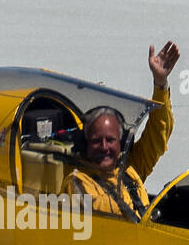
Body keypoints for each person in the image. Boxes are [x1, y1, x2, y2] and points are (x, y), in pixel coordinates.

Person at [62, 41, 179, 218]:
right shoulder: (78, 182)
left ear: (121, 143)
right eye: (96, 140)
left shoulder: (130, 170)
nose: (104, 147)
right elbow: (106, 213)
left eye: (110, 140)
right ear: (84, 144)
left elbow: (158, 134)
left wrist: (160, 83)